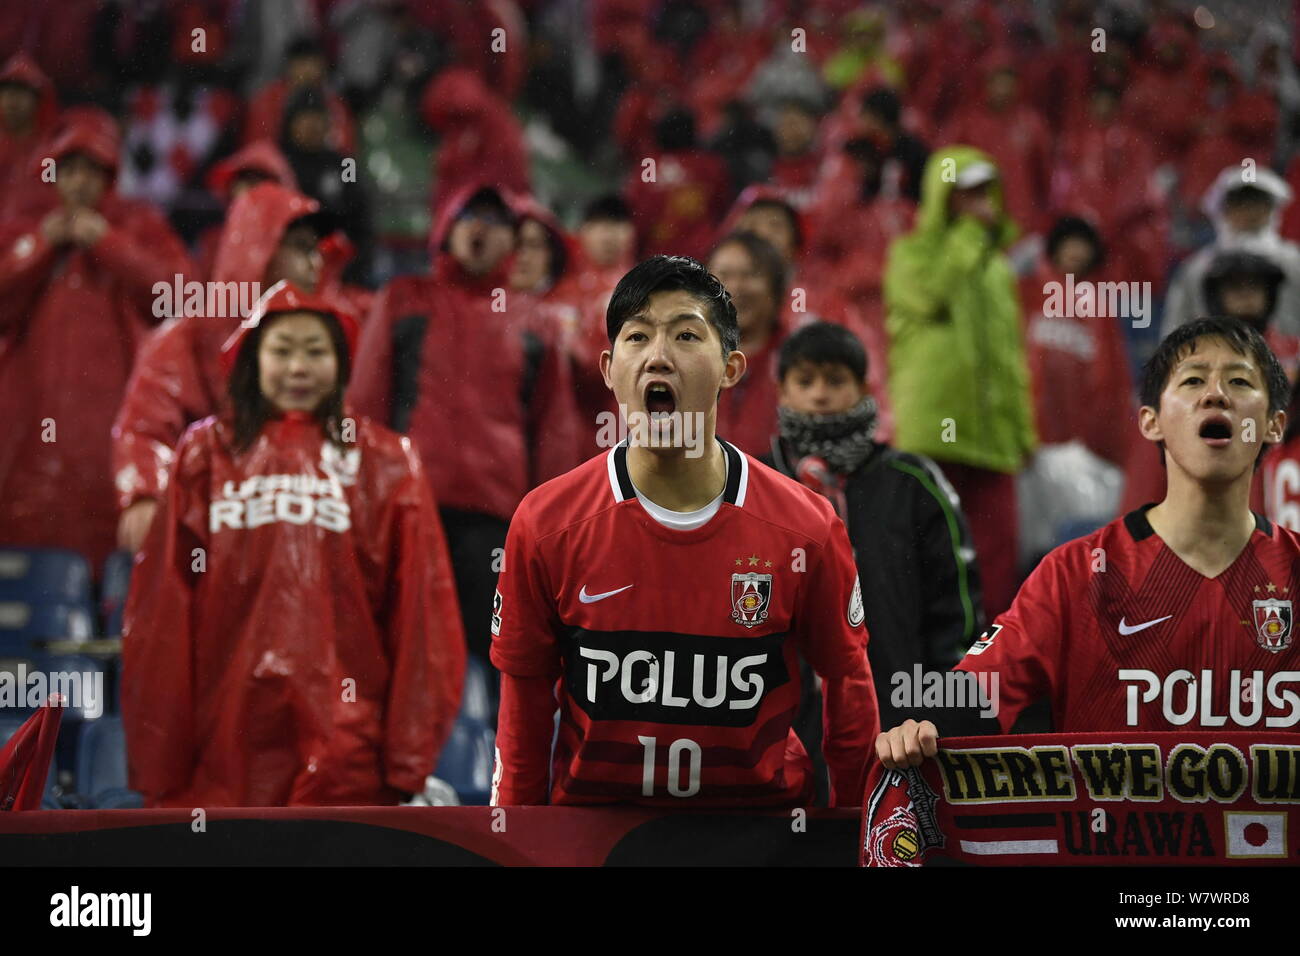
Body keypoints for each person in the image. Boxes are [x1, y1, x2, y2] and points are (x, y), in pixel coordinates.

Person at [490, 255, 878, 807]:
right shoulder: (545, 523)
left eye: (686, 335)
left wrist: (860, 829)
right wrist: (513, 841)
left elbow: (848, 684)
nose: (658, 357)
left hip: (759, 838)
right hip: (597, 836)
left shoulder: (806, 528)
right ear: (607, 369)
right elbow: (523, 711)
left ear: (731, 368)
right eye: (638, 336)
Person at [878, 317, 1300, 768]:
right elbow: (982, 688)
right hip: (1109, 841)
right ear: (1150, 421)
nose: (1215, 394)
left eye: (1238, 380)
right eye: (1193, 379)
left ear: (1275, 424)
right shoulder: (1074, 574)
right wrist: (923, 727)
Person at [122, 281, 466, 807]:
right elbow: (162, 612)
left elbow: (422, 615)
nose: (299, 368)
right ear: (251, 360)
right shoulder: (204, 454)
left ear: (341, 362)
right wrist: (159, 758)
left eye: (315, 351)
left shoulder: (389, 460)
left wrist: (408, 759)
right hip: (223, 739)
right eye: (282, 351)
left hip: (349, 747)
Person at [349, 183, 579, 666]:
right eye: (469, 217)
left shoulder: (538, 324)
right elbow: (365, 405)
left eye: (496, 223)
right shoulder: (402, 299)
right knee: (400, 651)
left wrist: (549, 535)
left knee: (491, 658)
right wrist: (362, 499)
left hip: (494, 524)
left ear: (512, 243)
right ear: (445, 230)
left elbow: (553, 431)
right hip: (409, 507)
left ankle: (481, 745)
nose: (480, 229)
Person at [761, 321, 982, 764]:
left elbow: (956, 618)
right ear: (782, 392)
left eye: (836, 380)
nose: (820, 395)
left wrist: (936, 719)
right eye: (805, 381)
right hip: (781, 735)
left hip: (901, 730)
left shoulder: (915, 482)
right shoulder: (755, 484)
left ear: (864, 388)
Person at [0, 108, 192, 570]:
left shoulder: (138, 226)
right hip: (27, 429)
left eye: (93, 171)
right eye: (70, 169)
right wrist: (42, 244)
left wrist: (107, 243)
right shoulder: (26, 225)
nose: (80, 183)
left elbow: (181, 297)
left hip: (111, 425)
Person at [113, 182, 335, 553]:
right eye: (300, 247)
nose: (315, 263)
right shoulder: (180, 340)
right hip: (201, 538)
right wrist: (145, 494)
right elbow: (145, 431)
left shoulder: (321, 347)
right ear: (259, 250)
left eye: (316, 250)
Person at [884, 147, 1036, 621]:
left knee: (995, 567)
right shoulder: (910, 254)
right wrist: (971, 235)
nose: (978, 203)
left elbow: (1010, 358)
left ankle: (984, 673)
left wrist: (1022, 432)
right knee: (928, 559)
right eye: (965, 192)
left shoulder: (996, 268)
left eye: (983, 192)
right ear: (940, 196)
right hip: (934, 435)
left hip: (993, 443)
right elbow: (930, 296)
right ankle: (926, 672)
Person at [1162, 167, 1300, 339]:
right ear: (1223, 210)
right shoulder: (1198, 268)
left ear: (1272, 208)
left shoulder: (1293, 261)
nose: (1250, 211)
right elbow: (1175, 330)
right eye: (1240, 203)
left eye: (1258, 202)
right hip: (1215, 360)